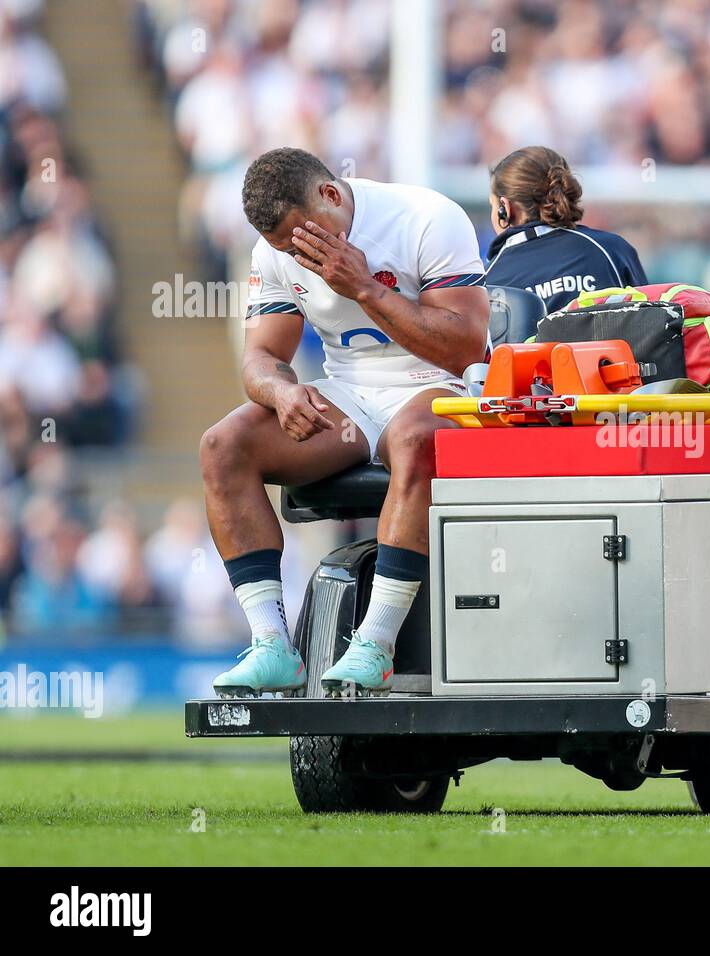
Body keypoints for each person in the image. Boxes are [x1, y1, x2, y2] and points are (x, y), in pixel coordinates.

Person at [201, 147, 487, 698]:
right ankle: (271, 645)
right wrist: (281, 392)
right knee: (223, 445)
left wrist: (366, 288)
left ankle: (376, 642)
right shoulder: (274, 250)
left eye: (305, 238)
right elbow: (260, 357)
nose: (299, 254)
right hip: (350, 394)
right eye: (288, 247)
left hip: (440, 385)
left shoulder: (426, 216)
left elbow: (464, 346)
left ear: (331, 195)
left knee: (417, 438)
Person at [482, 146, 647, 312]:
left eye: (492, 205)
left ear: (504, 208)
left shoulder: (488, 281)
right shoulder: (611, 250)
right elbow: (653, 323)